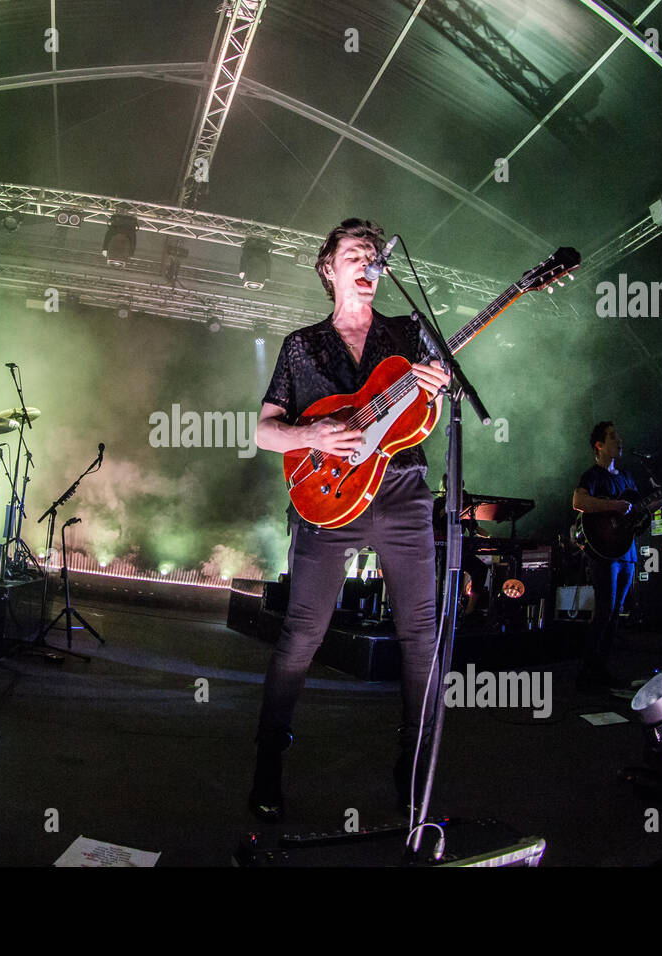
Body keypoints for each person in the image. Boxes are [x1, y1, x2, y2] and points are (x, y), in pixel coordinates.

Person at [250, 218, 452, 820]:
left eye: (374, 255)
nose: (368, 262)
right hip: (328, 499)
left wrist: (437, 386)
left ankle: (412, 766)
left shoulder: (409, 332)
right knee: (301, 634)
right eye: (355, 253)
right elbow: (261, 429)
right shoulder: (301, 346)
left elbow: (428, 402)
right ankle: (268, 760)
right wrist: (309, 430)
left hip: (403, 489)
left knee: (422, 637)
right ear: (329, 268)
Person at [571, 421, 640, 692]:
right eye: (612, 436)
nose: (619, 440)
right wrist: (614, 505)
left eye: (618, 435)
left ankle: (601, 669)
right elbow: (578, 502)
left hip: (626, 551)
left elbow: (635, 512)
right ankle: (588, 672)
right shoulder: (593, 476)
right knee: (605, 610)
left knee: (615, 613)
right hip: (603, 551)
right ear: (599, 445)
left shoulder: (627, 478)